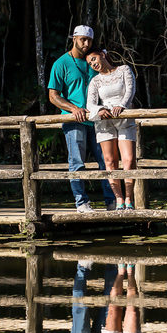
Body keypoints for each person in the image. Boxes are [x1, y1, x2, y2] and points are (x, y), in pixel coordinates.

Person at [47, 25, 117, 213]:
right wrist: (73, 109)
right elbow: (53, 95)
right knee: (77, 162)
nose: (86, 43)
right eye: (82, 39)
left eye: (89, 40)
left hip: (98, 120)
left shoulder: (93, 61)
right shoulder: (61, 63)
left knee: (106, 161)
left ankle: (112, 201)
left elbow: (111, 79)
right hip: (74, 121)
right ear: (74, 39)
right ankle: (81, 203)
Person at [85, 49, 138, 210]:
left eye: (94, 59)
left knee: (128, 159)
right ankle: (119, 200)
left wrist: (122, 105)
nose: (93, 64)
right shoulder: (95, 81)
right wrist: (100, 109)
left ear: (102, 55)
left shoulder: (124, 70)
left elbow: (130, 90)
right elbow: (90, 104)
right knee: (110, 161)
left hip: (124, 117)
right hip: (104, 122)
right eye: (90, 63)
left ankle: (129, 199)